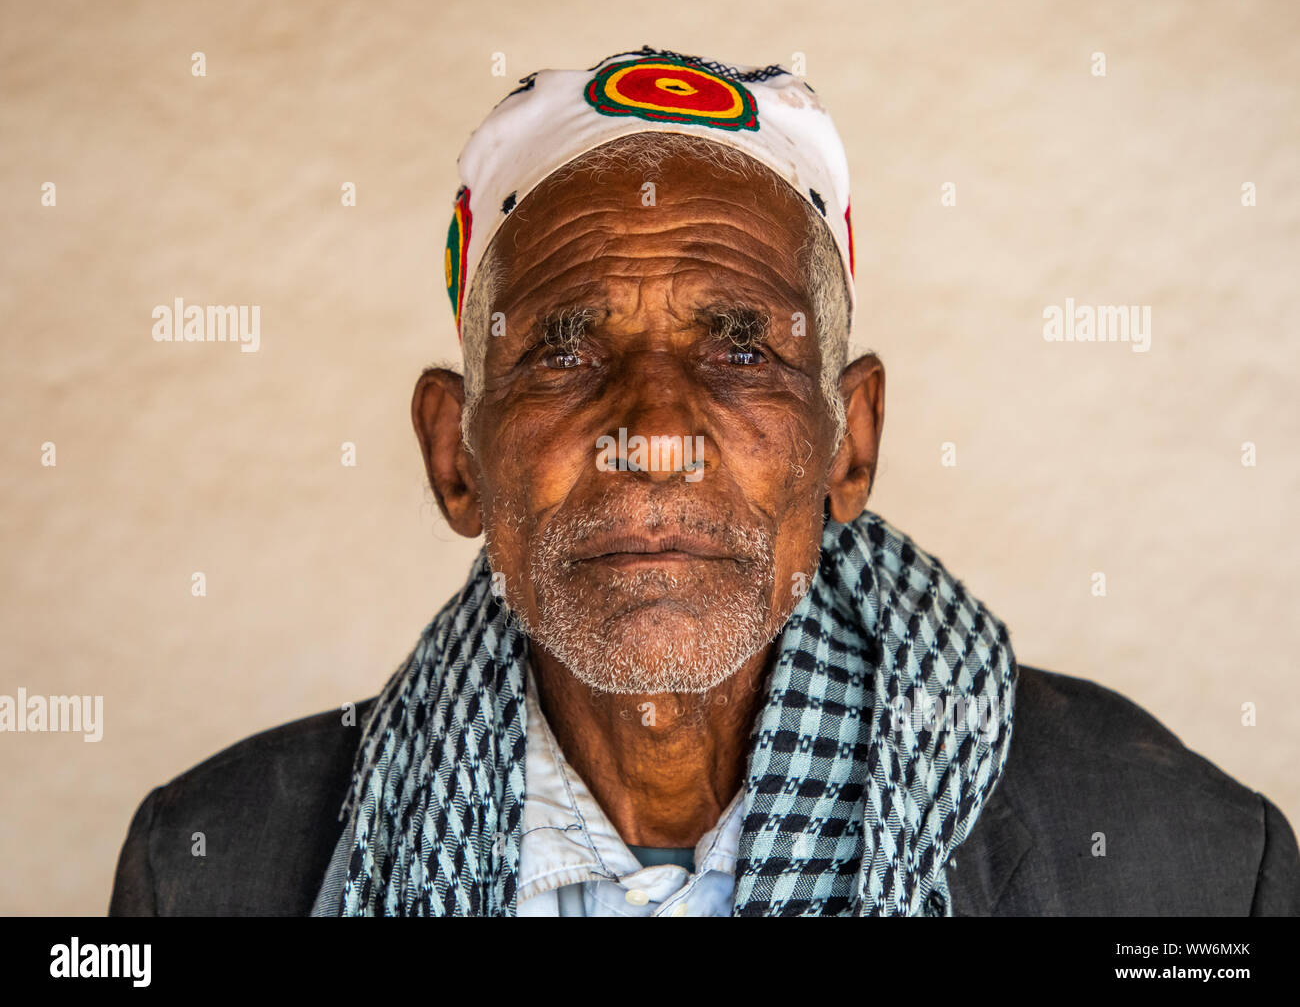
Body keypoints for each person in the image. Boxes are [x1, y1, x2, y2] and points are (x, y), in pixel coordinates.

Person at [109, 46, 1300, 917]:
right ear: (455, 456)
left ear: (848, 444)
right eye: (565, 351)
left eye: (742, 351)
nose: (655, 434)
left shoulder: (1181, 866)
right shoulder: (216, 865)